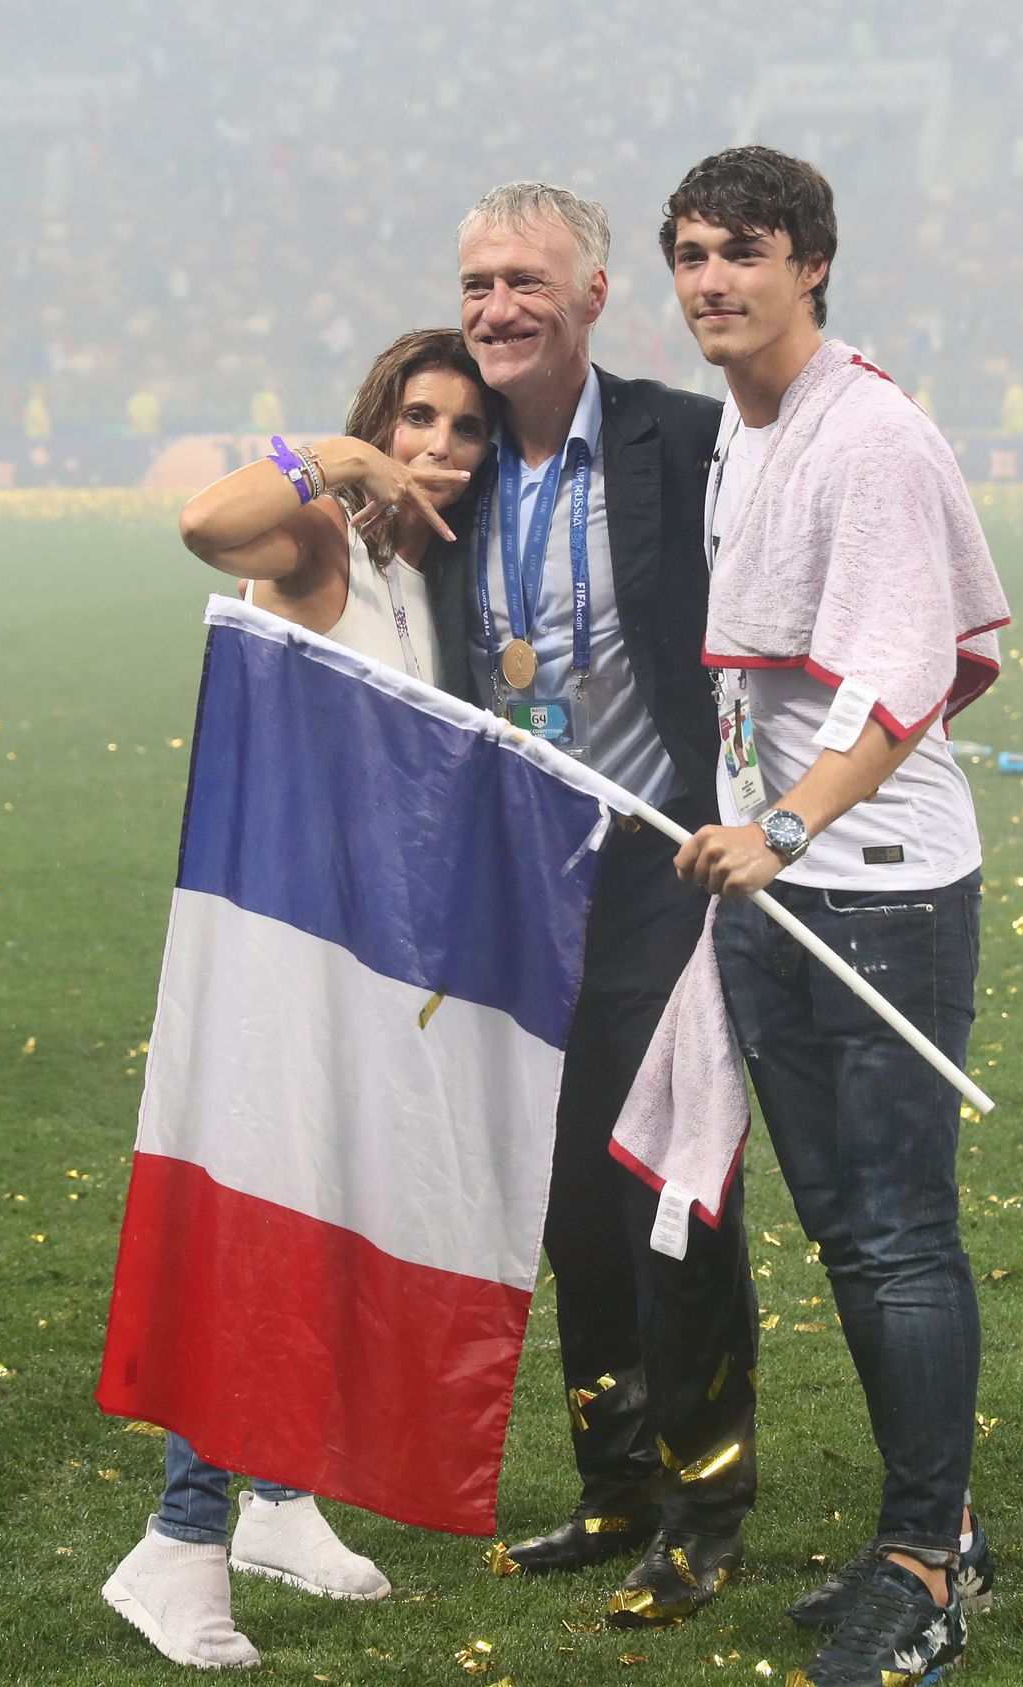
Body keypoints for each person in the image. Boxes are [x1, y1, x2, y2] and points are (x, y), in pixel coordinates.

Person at [663, 145, 1007, 1686]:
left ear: (812, 260)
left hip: (871, 889)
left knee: (896, 1238)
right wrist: (757, 833)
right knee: (852, 1236)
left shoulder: (866, 436)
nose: (710, 282)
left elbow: (900, 679)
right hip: (777, 881)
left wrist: (787, 828)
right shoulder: (754, 425)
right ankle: (935, 1530)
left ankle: (929, 1564)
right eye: (689, 255)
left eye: (742, 251)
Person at [101, 328, 495, 1671]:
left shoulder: (418, 578)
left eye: (466, 430)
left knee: (327, 1226)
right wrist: (332, 456)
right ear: (380, 421)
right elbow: (206, 520)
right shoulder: (327, 533)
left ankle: (277, 1503)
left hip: (367, 961)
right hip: (277, 950)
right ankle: (179, 1539)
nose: (440, 449)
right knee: (259, 1231)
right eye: (417, 419)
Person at [454, 182, 758, 1627]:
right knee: (573, 1195)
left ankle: (706, 1510)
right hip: (525, 872)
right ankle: (617, 1487)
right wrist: (323, 454)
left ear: (591, 299)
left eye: (525, 280)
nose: (496, 309)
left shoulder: (678, 438)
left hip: (662, 863)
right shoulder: (445, 465)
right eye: (475, 286)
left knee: (667, 1193)